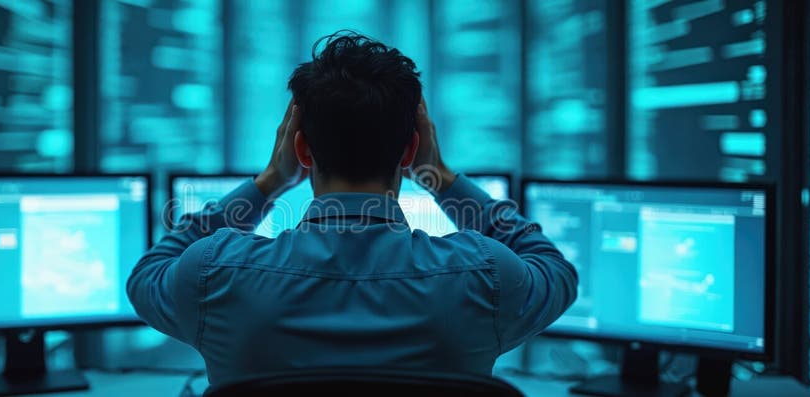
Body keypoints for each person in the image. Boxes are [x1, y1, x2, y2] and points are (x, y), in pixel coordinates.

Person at [127, 32, 577, 385]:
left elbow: (148, 275)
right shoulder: (485, 276)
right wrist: (438, 176)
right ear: (410, 150)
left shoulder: (214, 273)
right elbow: (554, 269)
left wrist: (269, 182)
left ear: (300, 148)